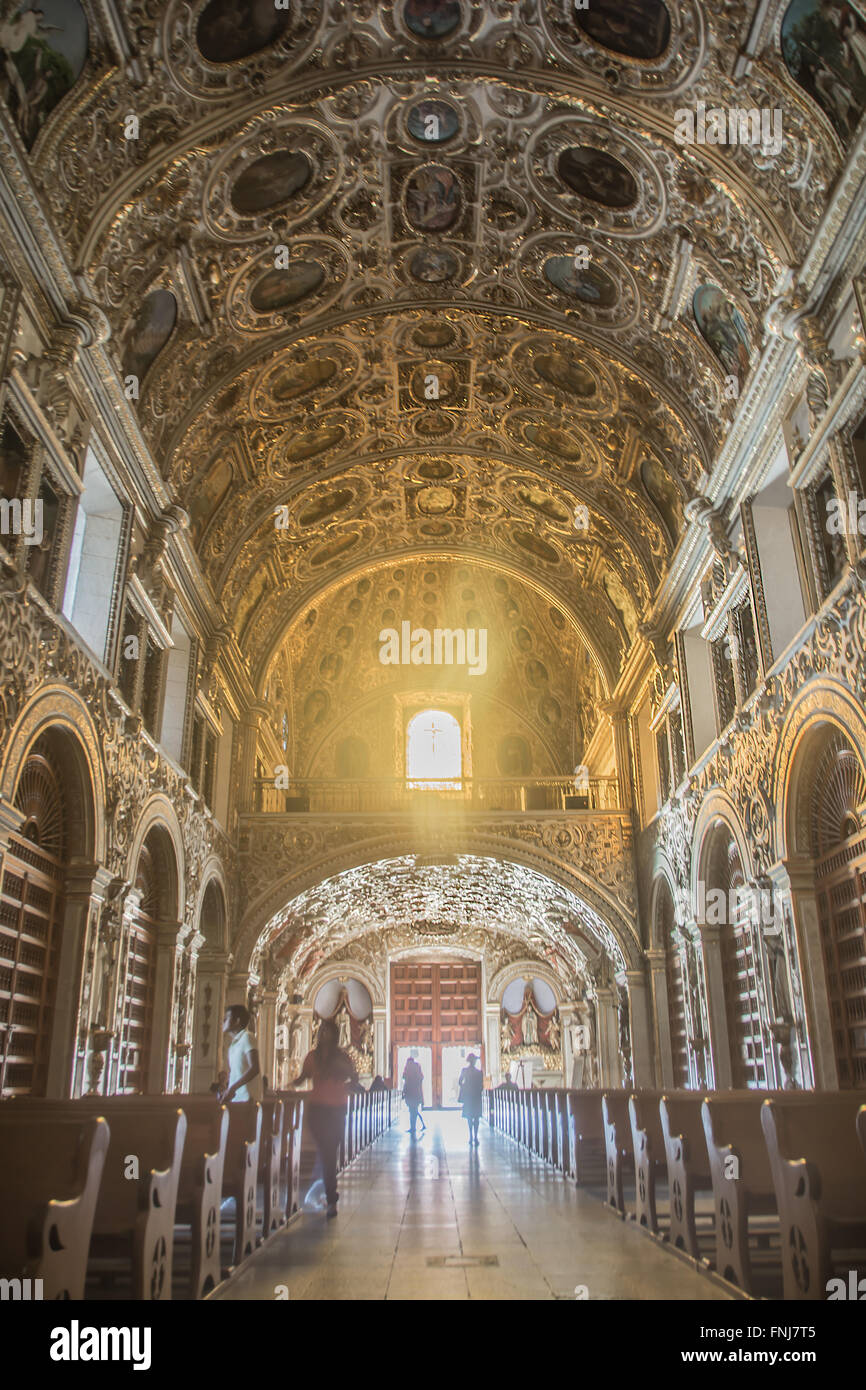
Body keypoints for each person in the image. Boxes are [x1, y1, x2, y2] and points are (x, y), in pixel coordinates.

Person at [290, 1017, 357, 1218]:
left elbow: (353, 1077)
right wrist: (291, 1084)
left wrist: (344, 1087)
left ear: (335, 1035)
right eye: (323, 1031)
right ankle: (329, 1196)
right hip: (319, 1110)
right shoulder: (314, 1057)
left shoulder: (341, 1058)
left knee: (327, 1153)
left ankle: (325, 1191)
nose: (325, 1035)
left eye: (329, 1032)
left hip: (335, 1109)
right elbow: (304, 1076)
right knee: (326, 1153)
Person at [220, 1005, 262, 1103]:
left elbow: (255, 1068)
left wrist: (233, 1088)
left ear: (237, 1021)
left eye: (227, 1018)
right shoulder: (234, 1044)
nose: (223, 1021)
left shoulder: (247, 1037)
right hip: (236, 1098)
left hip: (247, 1098)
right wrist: (228, 1089)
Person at [458, 1053, 483, 1146]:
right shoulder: (478, 1072)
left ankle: (472, 1136)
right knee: (475, 1117)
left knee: (470, 1117)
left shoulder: (465, 1071)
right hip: (475, 1096)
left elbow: (460, 1082)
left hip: (469, 1096)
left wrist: (465, 1087)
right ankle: (474, 1136)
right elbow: (481, 1085)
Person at [402, 1056, 426, 1138]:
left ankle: (413, 1127)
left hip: (410, 1092)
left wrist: (404, 1092)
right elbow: (421, 1078)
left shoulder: (408, 1068)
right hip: (416, 1092)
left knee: (412, 1110)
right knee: (414, 1110)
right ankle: (416, 1126)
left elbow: (404, 1077)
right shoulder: (417, 1067)